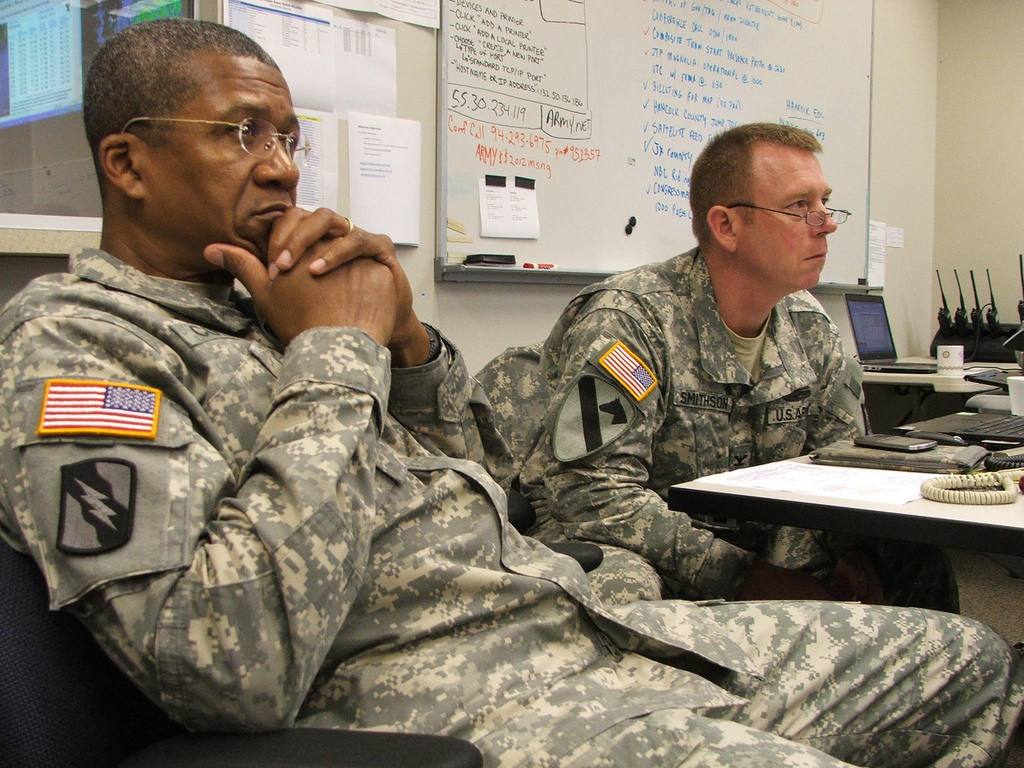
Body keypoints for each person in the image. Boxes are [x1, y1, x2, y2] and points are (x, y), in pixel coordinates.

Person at [0, 19, 1019, 767]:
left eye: (288, 136)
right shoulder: (78, 350)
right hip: (437, 695)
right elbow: (225, 667)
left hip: (572, 618)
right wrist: (339, 354)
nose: (280, 168)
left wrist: (405, 349)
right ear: (126, 163)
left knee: (971, 662)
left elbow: (488, 479)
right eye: (241, 134)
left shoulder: (271, 304)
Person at [483, 123, 961, 611]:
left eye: (824, 203)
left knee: (911, 558)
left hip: (756, 539)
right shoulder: (632, 321)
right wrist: (745, 576)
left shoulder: (811, 327)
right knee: (620, 587)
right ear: (726, 226)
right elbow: (593, 496)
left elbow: (837, 465)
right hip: (639, 544)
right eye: (800, 206)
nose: (826, 223)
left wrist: (854, 548)